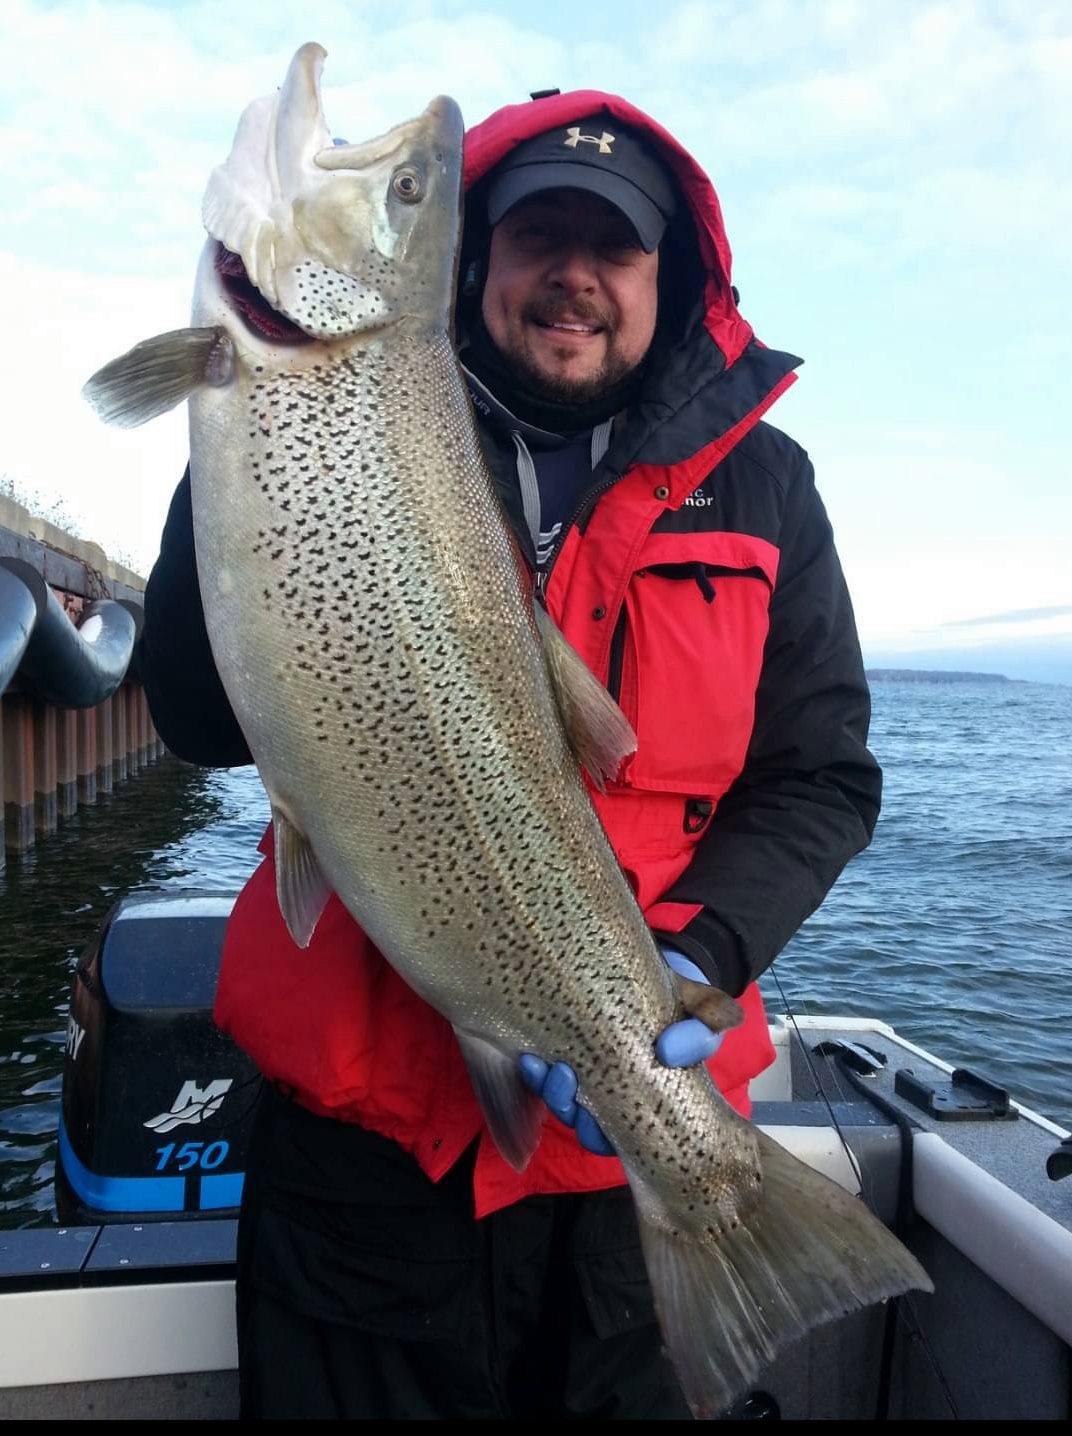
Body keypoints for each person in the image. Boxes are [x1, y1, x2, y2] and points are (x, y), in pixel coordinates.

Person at [141, 88, 880, 1420]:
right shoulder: (365, 417)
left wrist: (697, 960)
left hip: (613, 1166)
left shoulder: (768, 487)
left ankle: (720, 1212)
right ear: (481, 258)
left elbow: (822, 781)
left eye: (616, 248)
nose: (576, 278)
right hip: (359, 1180)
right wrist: (233, 453)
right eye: (542, 235)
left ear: (674, 274)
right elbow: (196, 723)